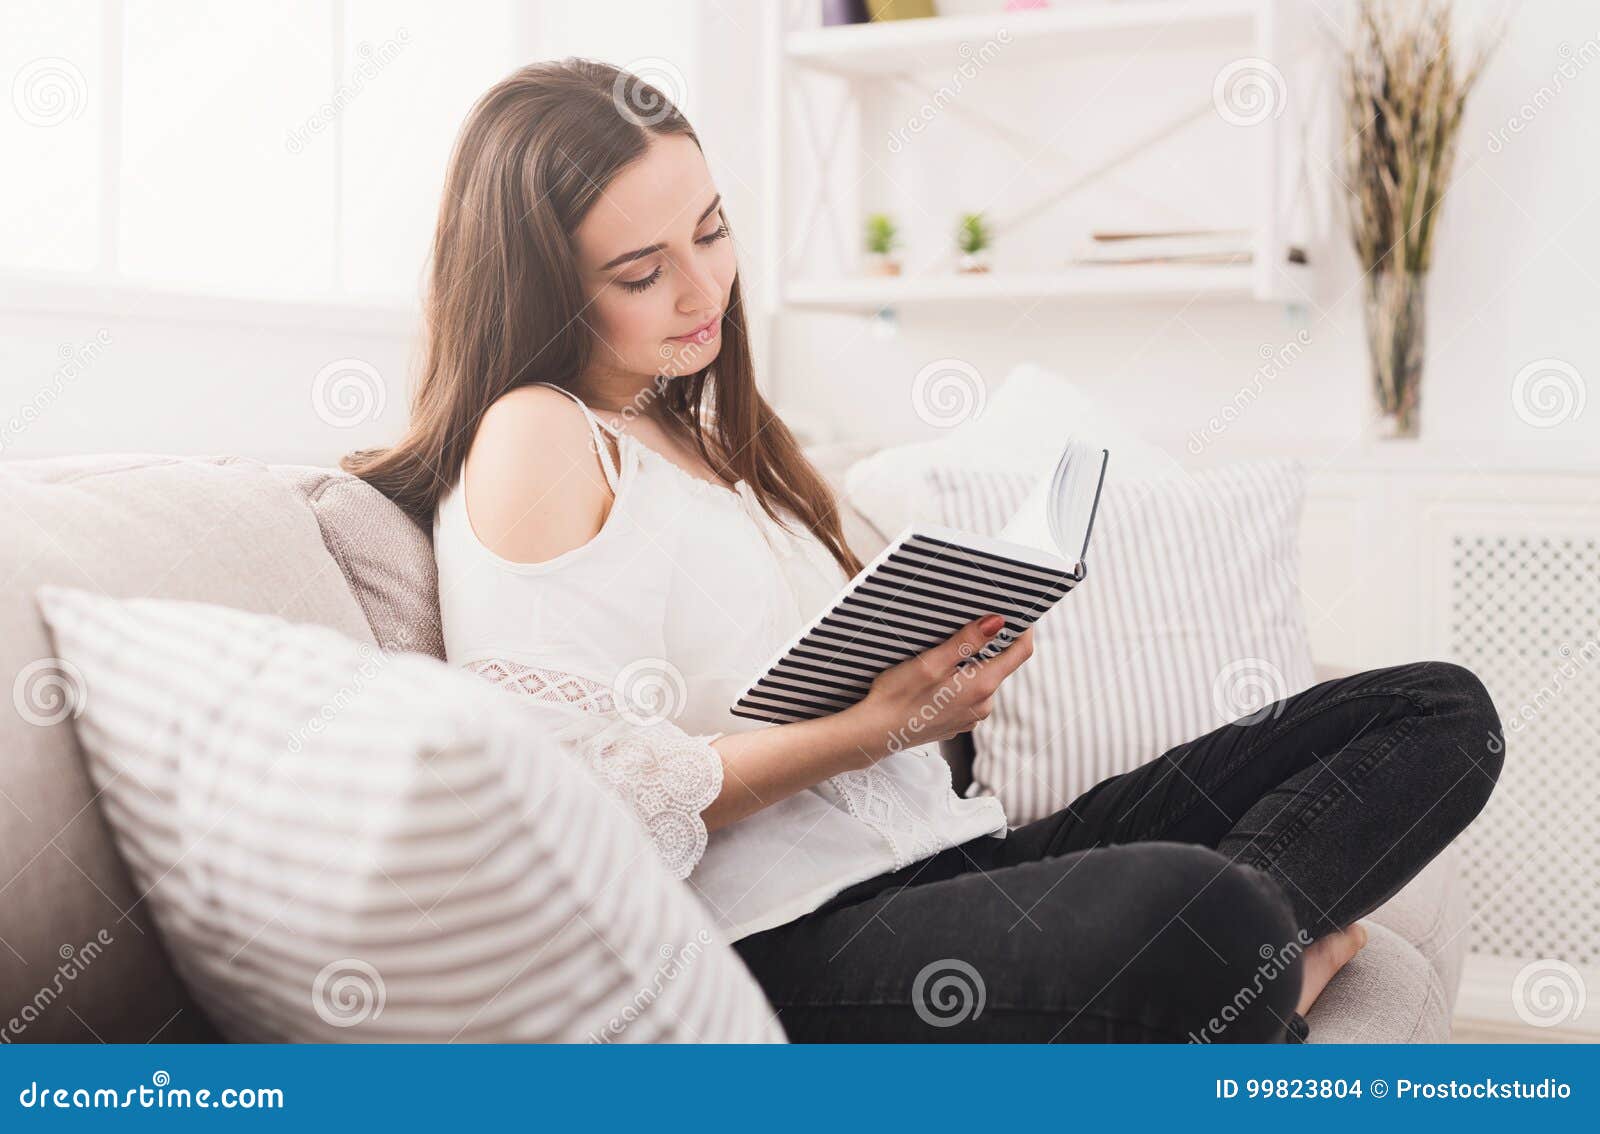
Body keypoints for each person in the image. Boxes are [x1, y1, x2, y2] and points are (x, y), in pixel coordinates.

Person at [344, 59, 1504, 1042]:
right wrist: (872, 728)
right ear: (541, 287)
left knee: (1434, 711)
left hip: (960, 856)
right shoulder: (539, 435)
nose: (702, 290)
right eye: (642, 273)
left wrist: (943, 687)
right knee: (1201, 913)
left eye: (710, 232)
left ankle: (1231, 987)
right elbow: (577, 800)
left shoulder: (716, 439)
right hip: (784, 942)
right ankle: (1256, 972)